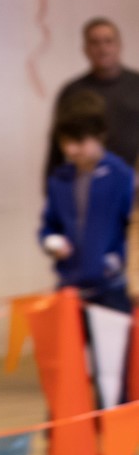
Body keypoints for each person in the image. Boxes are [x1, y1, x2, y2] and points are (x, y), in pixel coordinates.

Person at [40, 94, 134, 313]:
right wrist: (50, 242)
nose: (71, 150)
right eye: (65, 142)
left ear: (100, 135)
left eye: (79, 142)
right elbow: (48, 226)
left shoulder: (122, 177)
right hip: (69, 288)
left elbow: (133, 229)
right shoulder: (59, 180)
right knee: (69, 348)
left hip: (113, 288)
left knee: (114, 348)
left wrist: (118, 262)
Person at [46, 18, 139, 172]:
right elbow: (57, 143)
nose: (102, 48)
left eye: (108, 41)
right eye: (95, 42)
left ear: (119, 45)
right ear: (85, 48)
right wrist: (52, 186)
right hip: (87, 183)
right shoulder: (73, 91)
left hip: (134, 185)